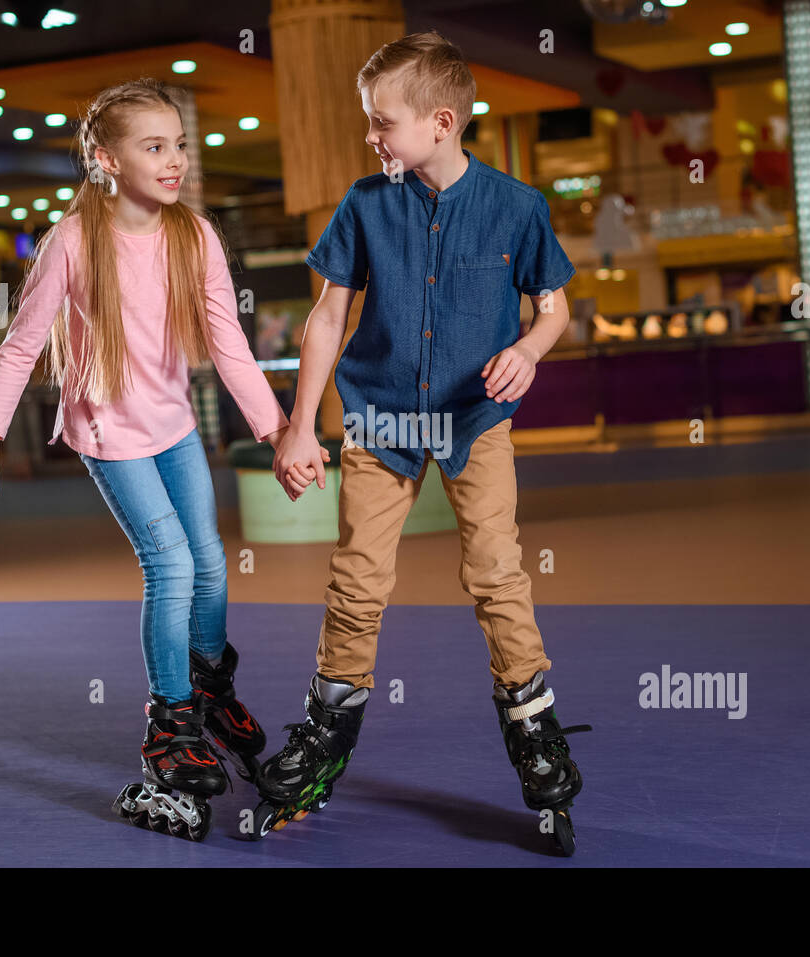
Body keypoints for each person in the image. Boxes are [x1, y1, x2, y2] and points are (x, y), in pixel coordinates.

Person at [0, 78, 326, 841]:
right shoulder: (72, 242)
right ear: (104, 158)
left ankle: (210, 690)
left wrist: (284, 431)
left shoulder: (196, 236)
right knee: (173, 565)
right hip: (107, 431)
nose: (174, 159)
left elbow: (229, 345)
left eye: (179, 143)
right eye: (154, 146)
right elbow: (21, 347)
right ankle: (170, 721)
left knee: (213, 563)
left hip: (174, 425)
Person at [255, 31, 592, 854]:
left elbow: (555, 307)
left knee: (495, 571)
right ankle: (326, 735)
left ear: (441, 122)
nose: (371, 138)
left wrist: (529, 348)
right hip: (380, 418)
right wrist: (300, 424)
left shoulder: (518, 206)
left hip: (476, 417)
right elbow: (330, 314)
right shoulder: (366, 203)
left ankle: (535, 733)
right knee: (358, 579)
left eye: (382, 123)